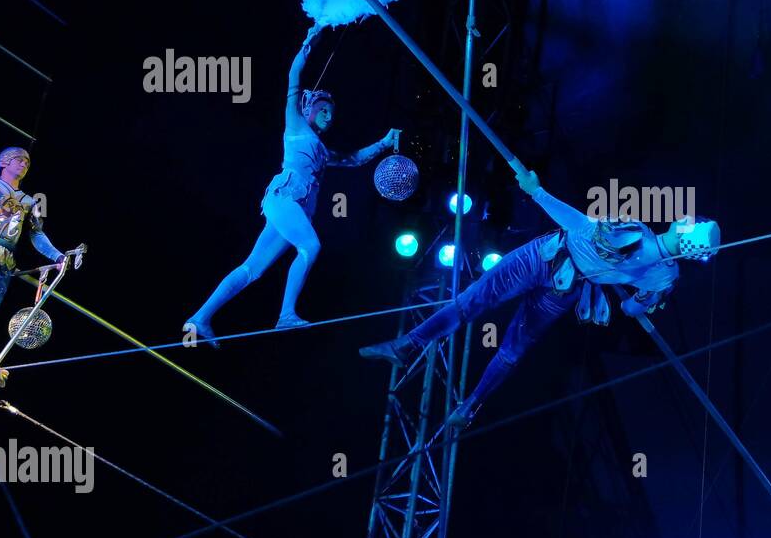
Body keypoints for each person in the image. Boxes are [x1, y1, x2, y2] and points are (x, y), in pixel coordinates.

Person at [359, 168, 721, 432]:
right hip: (565, 288)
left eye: (690, 221)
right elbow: (629, 309)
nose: (684, 218)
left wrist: (537, 192)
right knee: (513, 349)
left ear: (686, 230)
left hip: (544, 258)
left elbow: (577, 224)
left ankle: (408, 344)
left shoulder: (636, 230)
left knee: (471, 302)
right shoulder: (665, 277)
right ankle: (470, 407)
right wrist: (637, 290)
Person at [186, 25, 399, 343]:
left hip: (292, 207)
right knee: (311, 246)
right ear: (309, 109)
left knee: (252, 270)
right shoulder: (296, 125)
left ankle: (200, 318)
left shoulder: (324, 151)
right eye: (324, 110)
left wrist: (384, 142)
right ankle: (286, 314)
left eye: (332, 113)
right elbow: (294, 80)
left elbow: (354, 159)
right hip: (284, 198)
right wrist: (308, 44)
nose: (329, 116)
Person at [0, 146, 68, 320]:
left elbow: (37, 233)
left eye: (27, 163)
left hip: (5, 257)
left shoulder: (32, 201)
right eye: (20, 160)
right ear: (5, 162)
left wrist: (57, 256)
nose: (24, 164)